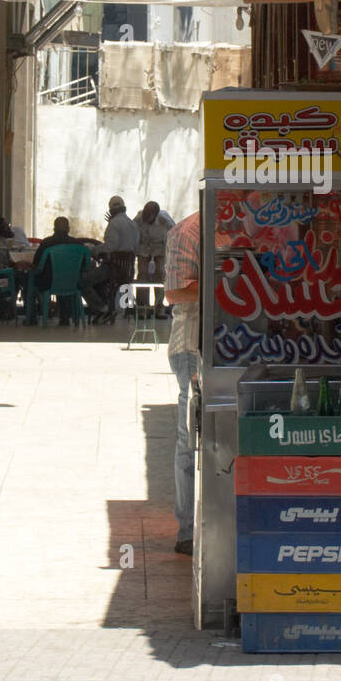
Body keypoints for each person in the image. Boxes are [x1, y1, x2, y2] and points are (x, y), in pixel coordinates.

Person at [164, 211, 200, 556]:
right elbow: (176, 292)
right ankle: (188, 530)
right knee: (189, 439)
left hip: (242, 346)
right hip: (194, 346)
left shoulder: (259, 227)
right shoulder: (188, 232)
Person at [28, 216, 105, 325]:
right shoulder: (77, 244)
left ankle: (31, 319)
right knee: (74, 280)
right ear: (68, 229)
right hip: (73, 283)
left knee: (31, 279)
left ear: (54, 229)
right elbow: (85, 267)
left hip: (49, 283)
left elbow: (37, 264)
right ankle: (68, 316)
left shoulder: (46, 243)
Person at [134, 201, 175, 317]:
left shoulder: (165, 220)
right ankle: (142, 308)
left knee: (161, 274)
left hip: (160, 248)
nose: (147, 218)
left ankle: (159, 308)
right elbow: (132, 231)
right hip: (144, 247)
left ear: (155, 214)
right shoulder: (138, 218)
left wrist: (170, 255)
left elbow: (175, 233)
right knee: (142, 275)